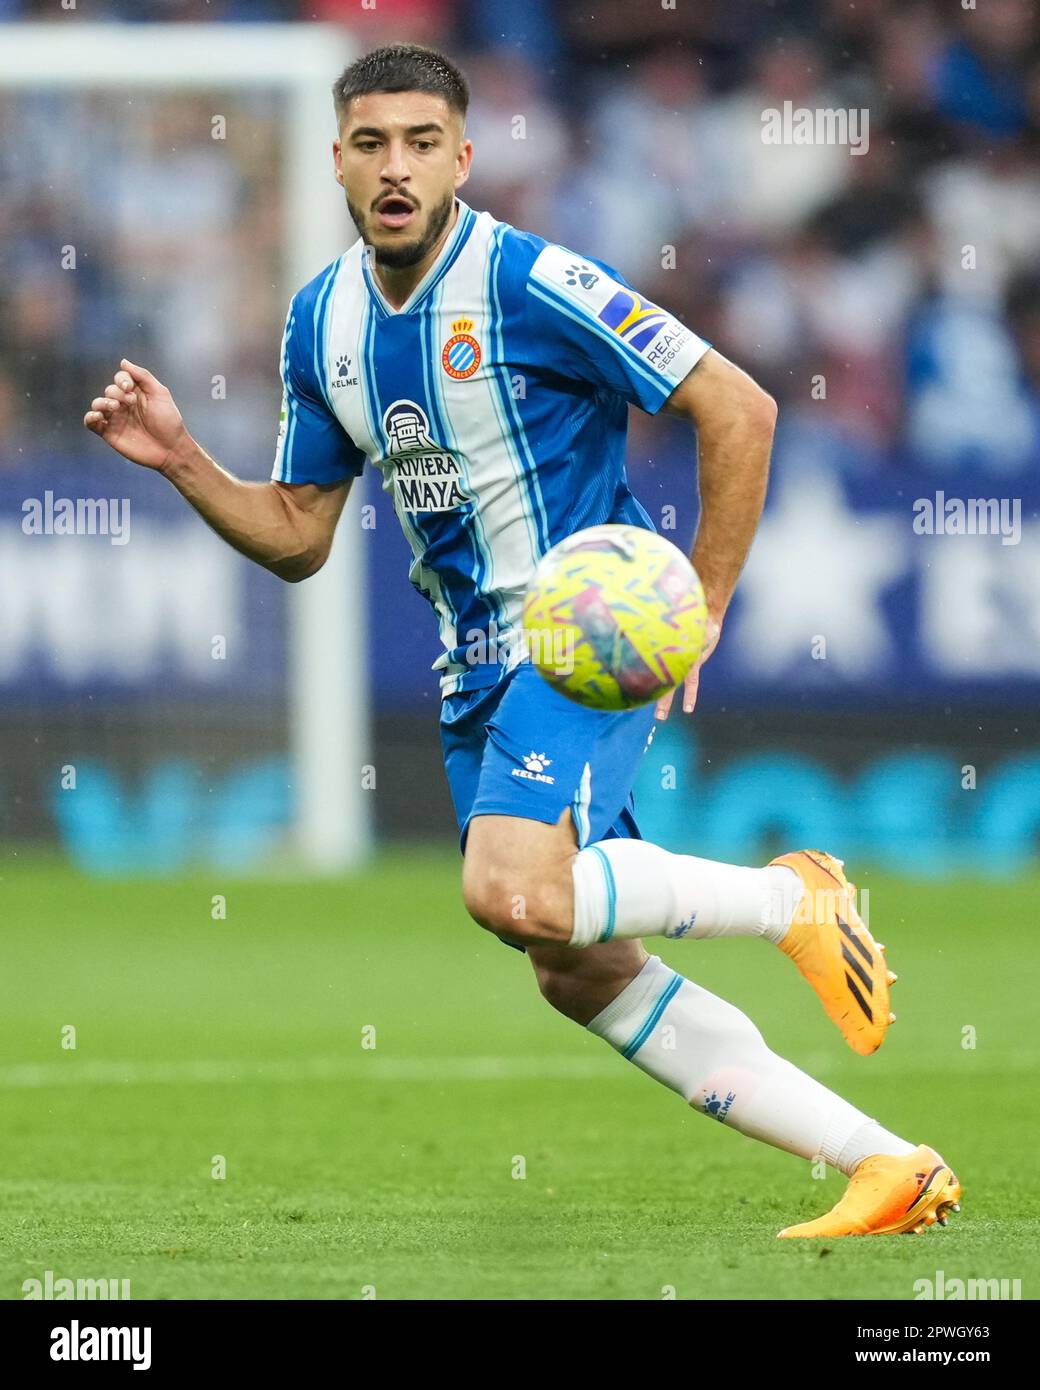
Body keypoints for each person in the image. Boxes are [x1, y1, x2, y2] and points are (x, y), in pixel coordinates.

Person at [84, 43, 959, 1238]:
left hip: (580, 634)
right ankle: (884, 1163)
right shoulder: (319, 324)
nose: (396, 168)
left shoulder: (534, 281)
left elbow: (737, 406)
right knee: (571, 961)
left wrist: (696, 607)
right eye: (373, 143)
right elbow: (297, 536)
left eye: (422, 142)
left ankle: (787, 900)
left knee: (511, 889)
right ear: (336, 157)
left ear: (463, 156)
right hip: (469, 670)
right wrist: (184, 460)